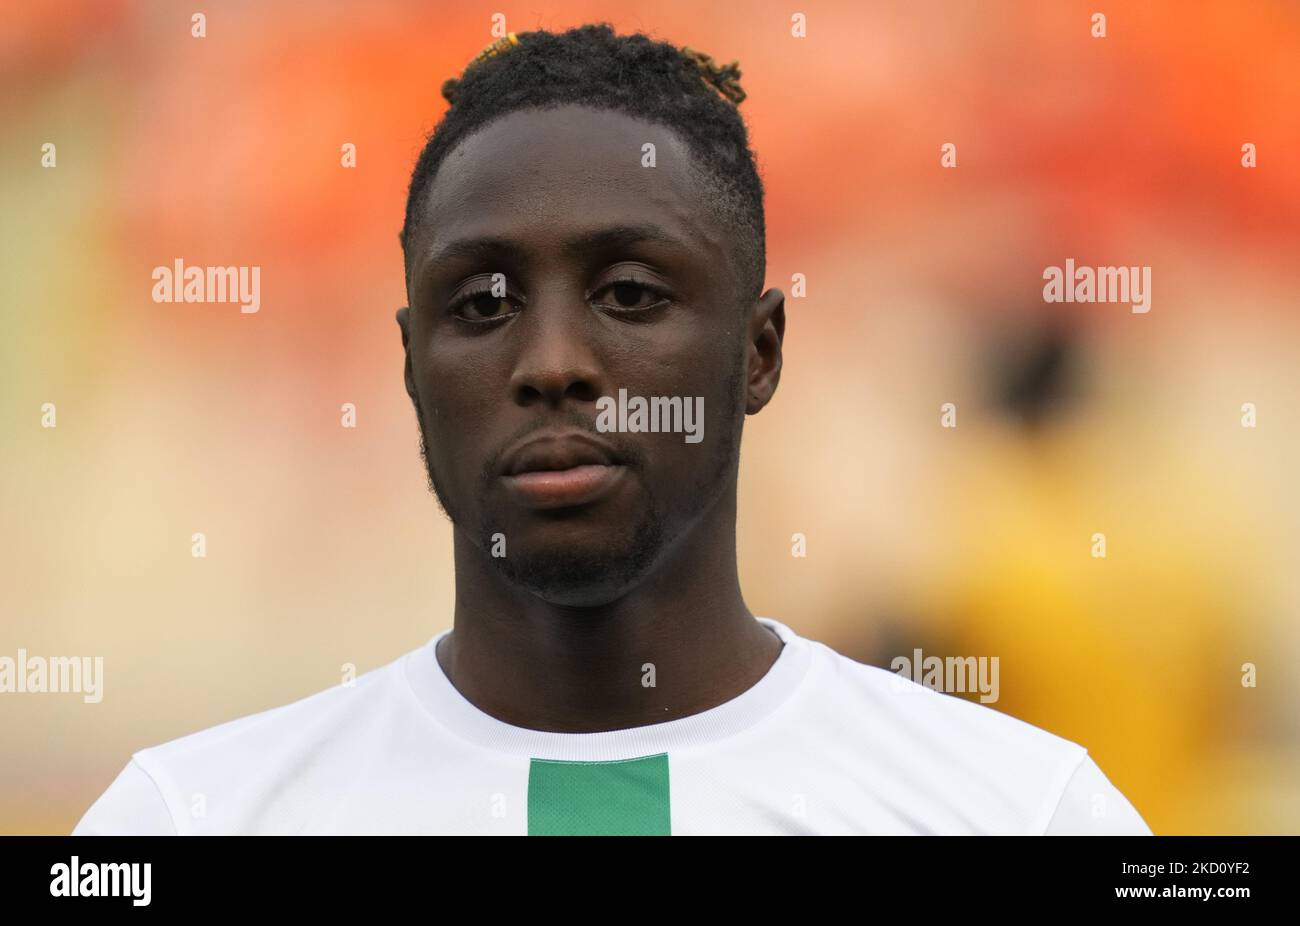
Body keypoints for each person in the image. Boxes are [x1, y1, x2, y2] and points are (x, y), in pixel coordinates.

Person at [73, 23, 1151, 835]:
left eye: (630, 294)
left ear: (759, 351)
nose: (552, 364)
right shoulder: (183, 822)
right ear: (409, 363)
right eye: (483, 304)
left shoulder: (1023, 812)